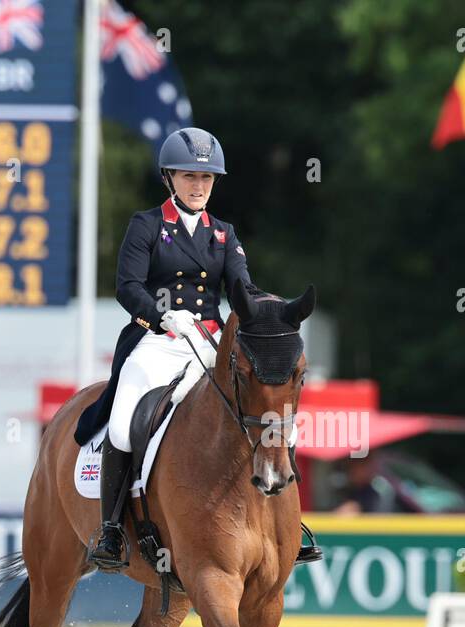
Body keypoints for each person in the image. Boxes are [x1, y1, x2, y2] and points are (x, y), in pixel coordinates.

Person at [78, 127, 315, 569]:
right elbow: (127, 287)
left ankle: (286, 522)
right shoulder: (146, 226)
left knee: (270, 406)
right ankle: (111, 529)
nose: (198, 186)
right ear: (170, 178)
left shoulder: (223, 235)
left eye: (206, 179)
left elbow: (242, 289)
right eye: (190, 177)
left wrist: (271, 310)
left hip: (207, 342)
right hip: (156, 339)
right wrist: (161, 316)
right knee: (124, 421)